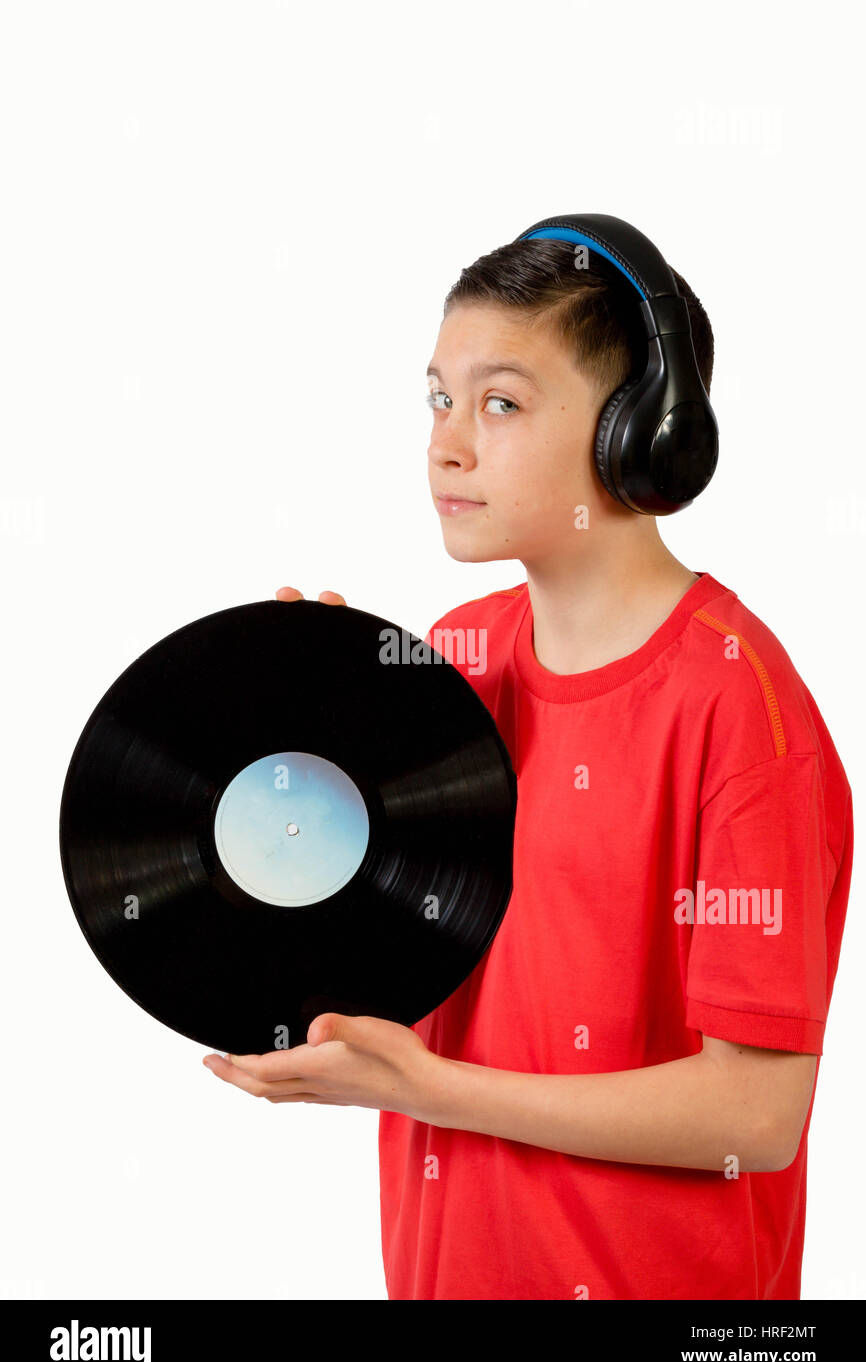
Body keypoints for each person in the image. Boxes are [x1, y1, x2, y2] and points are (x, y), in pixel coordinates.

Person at [203, 232, 853, 1301]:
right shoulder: (450, 659)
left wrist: (435, 1090)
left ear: (637, 432)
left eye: (499, 403)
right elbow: (391, 965)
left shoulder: (738, 705)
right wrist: (298, 766)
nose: (446, 445)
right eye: (434, 401)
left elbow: (754, 1117)